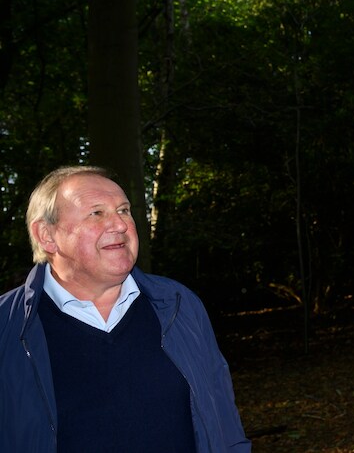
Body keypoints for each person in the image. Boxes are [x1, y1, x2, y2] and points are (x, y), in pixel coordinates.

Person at [0, 165, 250, 452]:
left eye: (124, 210)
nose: (120, 224)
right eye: (97, 213)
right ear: (47, 235)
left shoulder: (178, 305)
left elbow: (224, 426)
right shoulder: (8, 326)